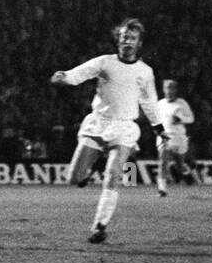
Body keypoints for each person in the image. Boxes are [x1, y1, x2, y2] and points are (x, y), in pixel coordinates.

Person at [50, 18, 168, 243]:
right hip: (98, 123)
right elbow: (80, 73)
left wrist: (159, 128)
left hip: (123, 127)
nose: (127, 41)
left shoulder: (145, 72)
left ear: (139, 43)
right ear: (118, 39)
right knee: (73, 178)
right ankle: (95, 166)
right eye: (124, 37)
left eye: (132, 38)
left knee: (114, 176)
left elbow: (150, 102)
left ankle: (99, 226)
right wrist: (63, 76)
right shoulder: (105, 62)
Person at [154, 79, 197, 196]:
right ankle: (162, 189)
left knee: (179, 164)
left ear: (176, 89)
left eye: (172, 87)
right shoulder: (159, 104)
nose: (170, 90)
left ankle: (187, 175)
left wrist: (180, 119)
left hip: (179, 138)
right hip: (165, 136)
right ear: (163, 89)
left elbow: (191, 118)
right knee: (163, 161)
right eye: (167, 87)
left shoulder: (182, 103)